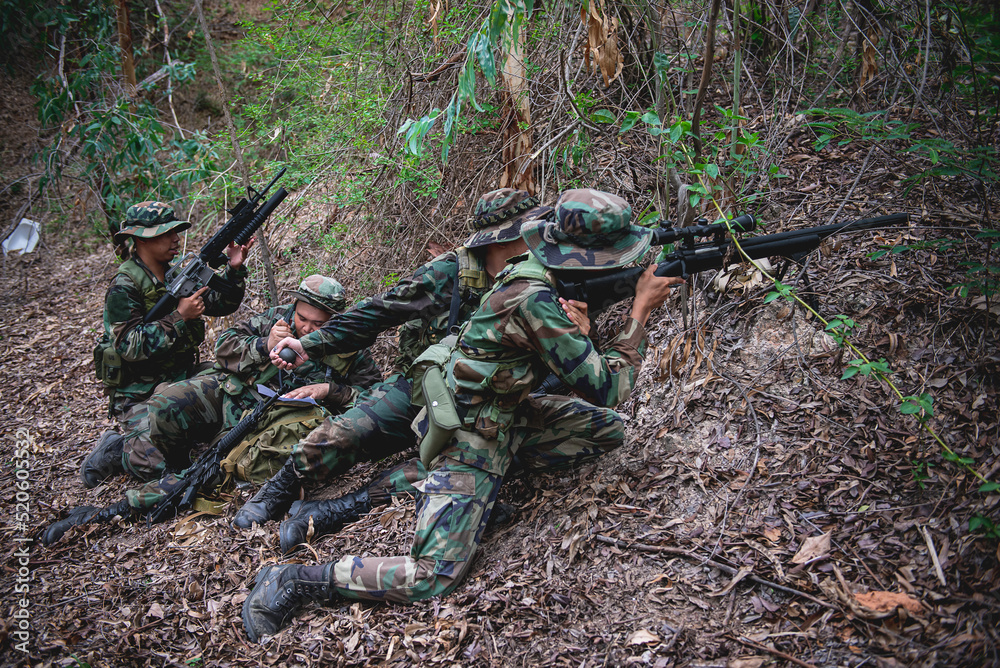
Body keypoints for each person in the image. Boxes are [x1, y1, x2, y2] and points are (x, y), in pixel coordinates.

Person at [241, 188, 685, 642]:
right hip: (468, 431)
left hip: (503, 412)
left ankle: (474, 489)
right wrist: (639, 314)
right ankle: (294, 581)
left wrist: (584, 333)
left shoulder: (536, 276)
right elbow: (607, 388)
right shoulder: (526, 294)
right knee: (433, 576)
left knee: (604, 431)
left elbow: (569, 371)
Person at [230, 189, 555, 530]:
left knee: (452, 465)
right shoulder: (451, 273)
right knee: (349, 431)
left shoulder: (542, 275)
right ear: (502, 239)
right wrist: (310, 343)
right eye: (528, 230)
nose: (537, 239)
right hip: (422, 386)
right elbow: (378, 312)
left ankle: (342, 509)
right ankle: (276, 490)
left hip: (487, 400)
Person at [40, 276, 382, 545]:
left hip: (270, 421)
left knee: (214, 474)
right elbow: (223, 347)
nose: (306, 328)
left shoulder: (348, 347)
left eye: (317, 323)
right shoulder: (276, 320)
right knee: (160, 409)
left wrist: (331, 391)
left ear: (334, 320)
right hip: (230, 394)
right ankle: (124, 452)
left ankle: (114, 510)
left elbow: (373, 401)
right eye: (302, 317)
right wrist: (263, 345)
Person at [81, 201, 252, 488]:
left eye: (176, 232)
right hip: (140, 394)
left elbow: (222, 304)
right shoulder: (125, 286)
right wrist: (179, 317)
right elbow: (129, 346)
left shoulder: (178, 274)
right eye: (165, 233)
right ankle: (115, 451)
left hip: (181, 379)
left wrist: (235, 270)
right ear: (140, 239)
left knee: (238, 391)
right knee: (163, 468)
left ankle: (187, 428)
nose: (175, 239)